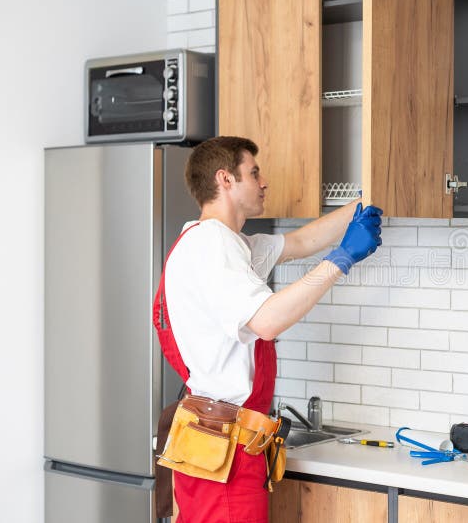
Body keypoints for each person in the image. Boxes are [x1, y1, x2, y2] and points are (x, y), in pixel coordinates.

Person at [153, 135, 382, 522]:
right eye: (254, 172)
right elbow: (267, 320)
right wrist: (341, 259)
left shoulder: (225, 242)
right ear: (225, 180)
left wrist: (363, 206)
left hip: (221, 440)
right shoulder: (213, 246)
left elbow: (300, 241)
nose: (263, 182)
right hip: (225, 448)